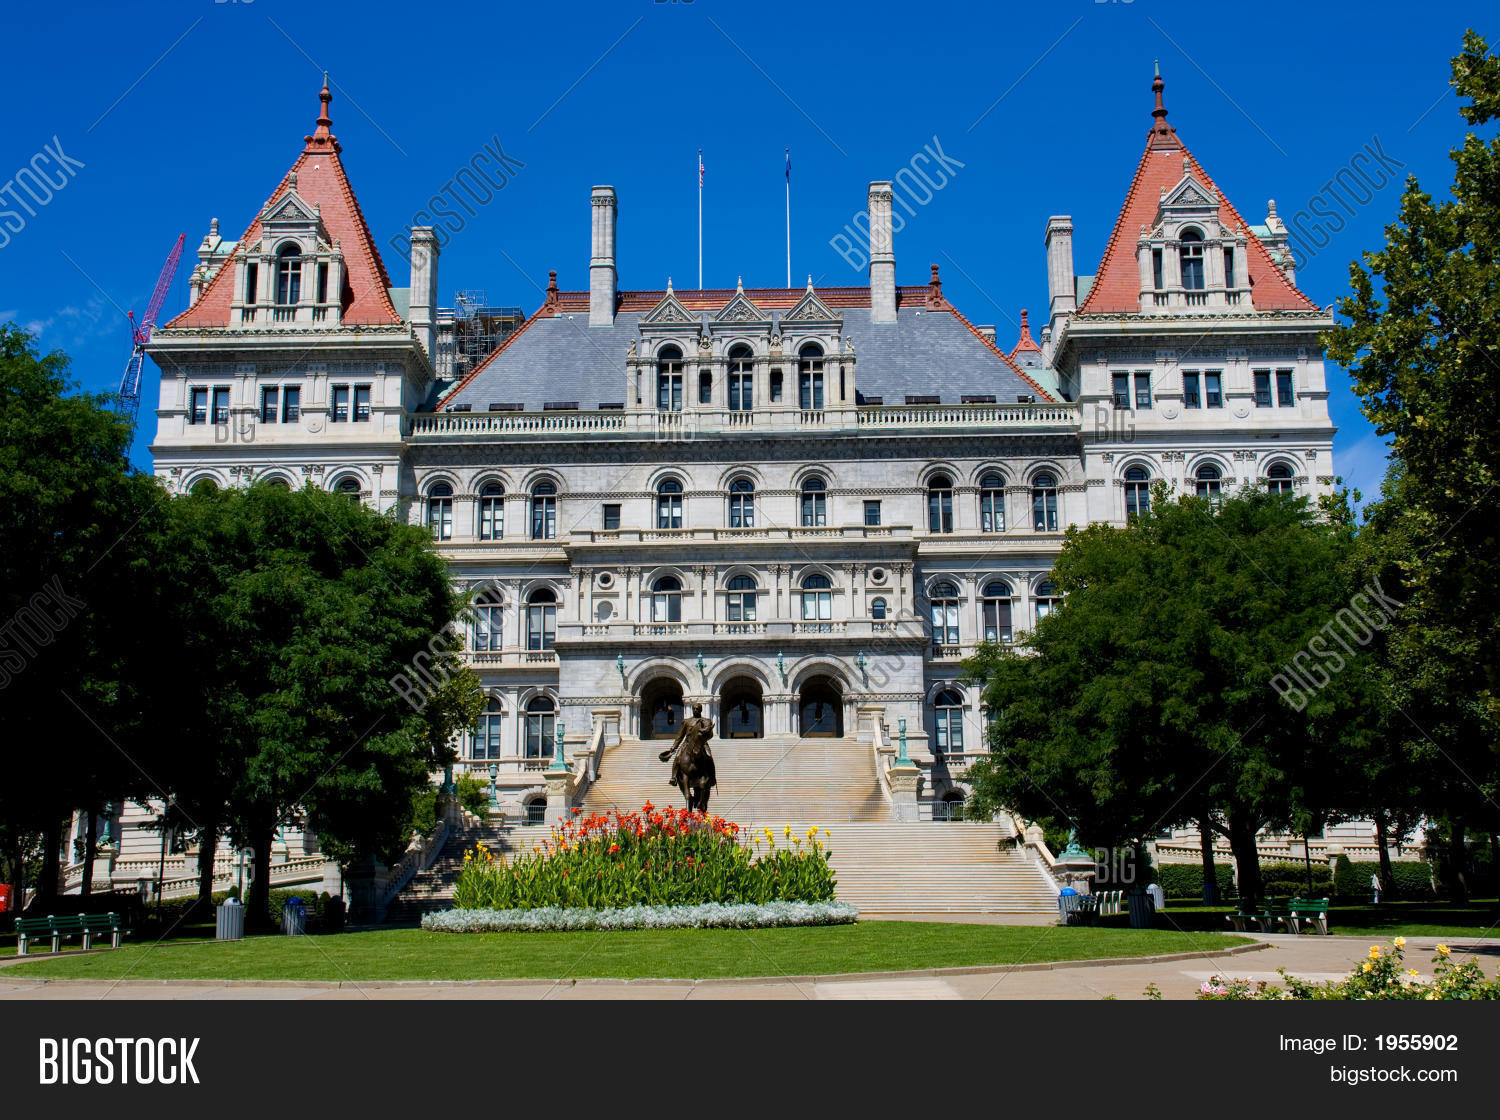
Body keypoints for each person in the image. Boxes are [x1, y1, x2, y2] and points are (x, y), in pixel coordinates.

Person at [659, 702, 713, 789]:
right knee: (677, 758)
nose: (695, 710)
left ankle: (712, 777)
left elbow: (710, 735)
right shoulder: (687, 721)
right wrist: (674, 746)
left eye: (697, 709)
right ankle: (673, 777)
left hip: (702, 744)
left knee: (709, 757)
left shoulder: (706, 721)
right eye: (694, 709)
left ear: (701, 710)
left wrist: (706, 734)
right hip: (687, 743)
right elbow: (680, 736)